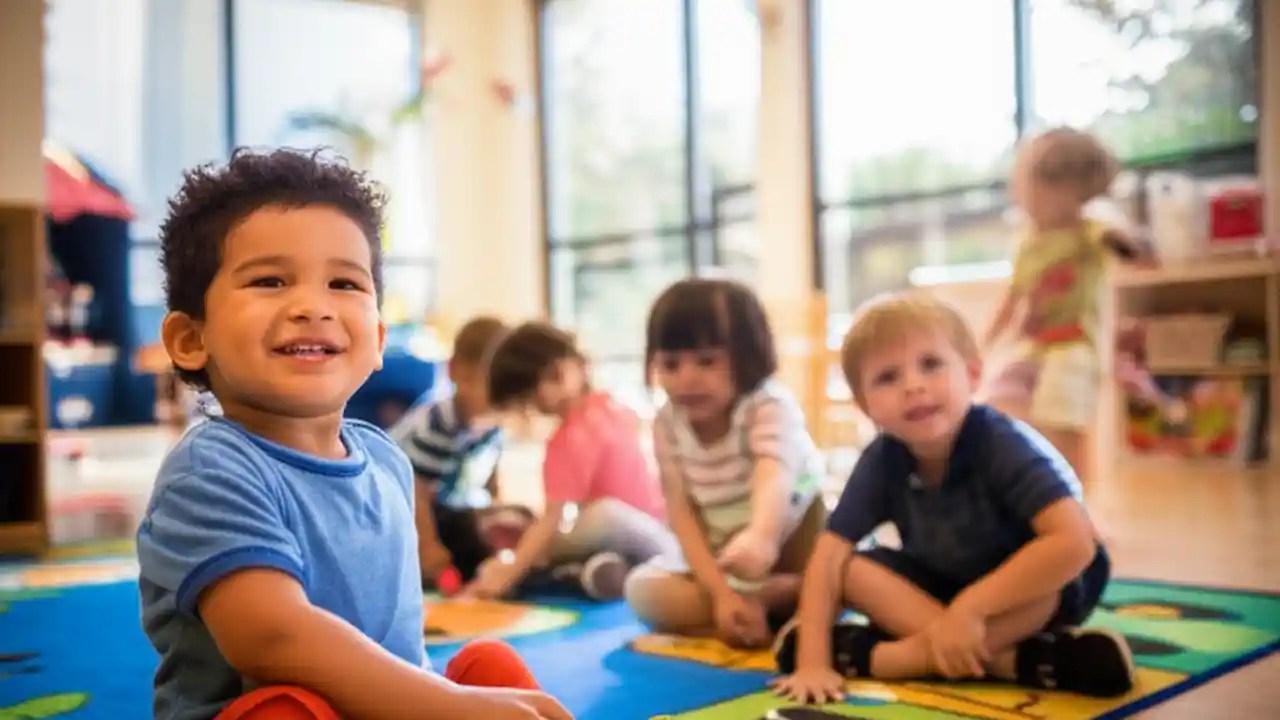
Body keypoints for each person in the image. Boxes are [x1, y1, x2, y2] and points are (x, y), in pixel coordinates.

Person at [135, 148, 572, 720]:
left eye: (344, 283)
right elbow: (273, 640)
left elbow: (403, 652)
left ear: (379, 340)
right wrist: (453, 707)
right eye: (270, 280)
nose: (312, 306)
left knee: (492, 668)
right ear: (192, 339)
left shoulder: (384, 458)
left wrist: (463, 697)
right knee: (284, 710)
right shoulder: (211, 471)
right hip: (268, 706)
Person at [771, 291, 1134, 704]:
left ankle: (894, 659)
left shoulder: (1000, 442)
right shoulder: (883, 457)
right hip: (941, 588)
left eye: (931, 364)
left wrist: (972, 610)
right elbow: (828, 557)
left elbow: (1074, 543)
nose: (913, 386)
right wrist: (812, 663)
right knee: (850, 568)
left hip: (1019, 594)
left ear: (973, 375)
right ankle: (1010, 662)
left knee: (1050, 578)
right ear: (864, 406)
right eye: (888, 378)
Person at [623, 278, 827, 650]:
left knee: (845, 576)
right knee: (642, 591)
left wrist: (762, 537)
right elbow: (681, 511)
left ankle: (794, 597)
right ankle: (753, 610)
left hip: (790, 536)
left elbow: (774, 475)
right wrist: (719, 594)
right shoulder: (666, 424)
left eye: (707, 361)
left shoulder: (767, 406)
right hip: (725, 555)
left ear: (748, 357)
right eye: (671, 364)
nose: (687, 378)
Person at [983, 127, 1155, 483]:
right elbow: (1010, 301)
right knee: (1000, 400)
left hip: (1075, 346)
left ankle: (1074, 505)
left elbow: (1131, 249)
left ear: (1066, 191)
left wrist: (1126, 240)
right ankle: (1035, 490)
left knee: (1062, 420)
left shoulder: (1088, 231)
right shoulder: (1028, 243)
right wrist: (983, 344)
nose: (1018, 193)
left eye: (1025, 184)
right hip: (1035, 346)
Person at [462, 321, 677, 602]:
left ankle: (530, 571)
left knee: (577, 527)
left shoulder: (574, 433)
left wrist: (511, 570)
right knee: (576, 540)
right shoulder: (611, 407)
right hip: (653, 537)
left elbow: (552, 518)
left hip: (648, 537)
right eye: (549, 377)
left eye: (556, 375)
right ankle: (594, 574)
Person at [389, 316, 534, 585]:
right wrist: (428, 547)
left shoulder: (491, 424)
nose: (502, 398)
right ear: (457, 373)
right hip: (403, 514)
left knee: (523, 517)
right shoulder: (440, 424)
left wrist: (497, 511)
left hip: (450, 508)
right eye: (492, 386)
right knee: (466, 528)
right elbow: (415, 492)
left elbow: (491, 481)